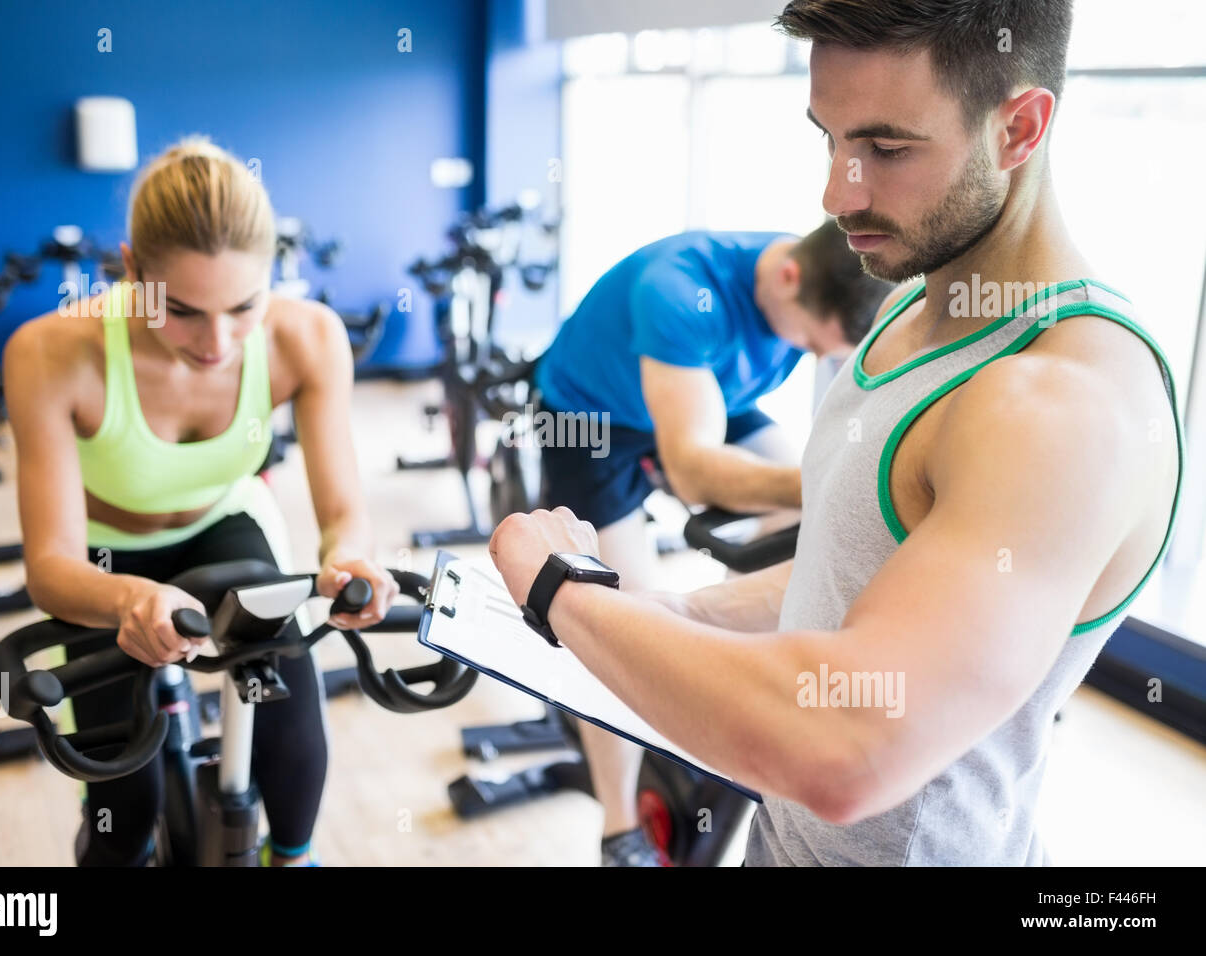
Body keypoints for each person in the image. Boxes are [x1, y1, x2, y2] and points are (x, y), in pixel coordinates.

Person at [488, 0, 1183, 865]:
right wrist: (672, 611)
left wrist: (565, 594)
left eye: (886, 148)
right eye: (830, 137)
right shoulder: (903, 313)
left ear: (1021, 126)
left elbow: (847, 745)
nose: (836, 192)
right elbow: (849, 566)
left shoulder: (1064, 403)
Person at [4, 137, 398, 867]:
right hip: (101, 558)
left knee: (289, 711)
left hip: (222, 527)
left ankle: (296, 856)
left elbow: (344, 514)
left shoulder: (306, 337)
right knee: (127, 798)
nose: (217, 342)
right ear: (133, 270)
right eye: (182, 311)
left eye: (243, 305)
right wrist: (128, 600)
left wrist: (349, 559)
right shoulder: (51, 353)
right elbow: (51, 566)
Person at [533, 223, 893, 864]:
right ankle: (618, 828)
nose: (812, 357)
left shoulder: (824, 280)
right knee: (616, 616)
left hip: (712, 393)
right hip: (591, 417)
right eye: (810, 342)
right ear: (787, 277)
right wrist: (830, 483)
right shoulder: (679, 288)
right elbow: (694, 467)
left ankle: (727, 674)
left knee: (812, 524)